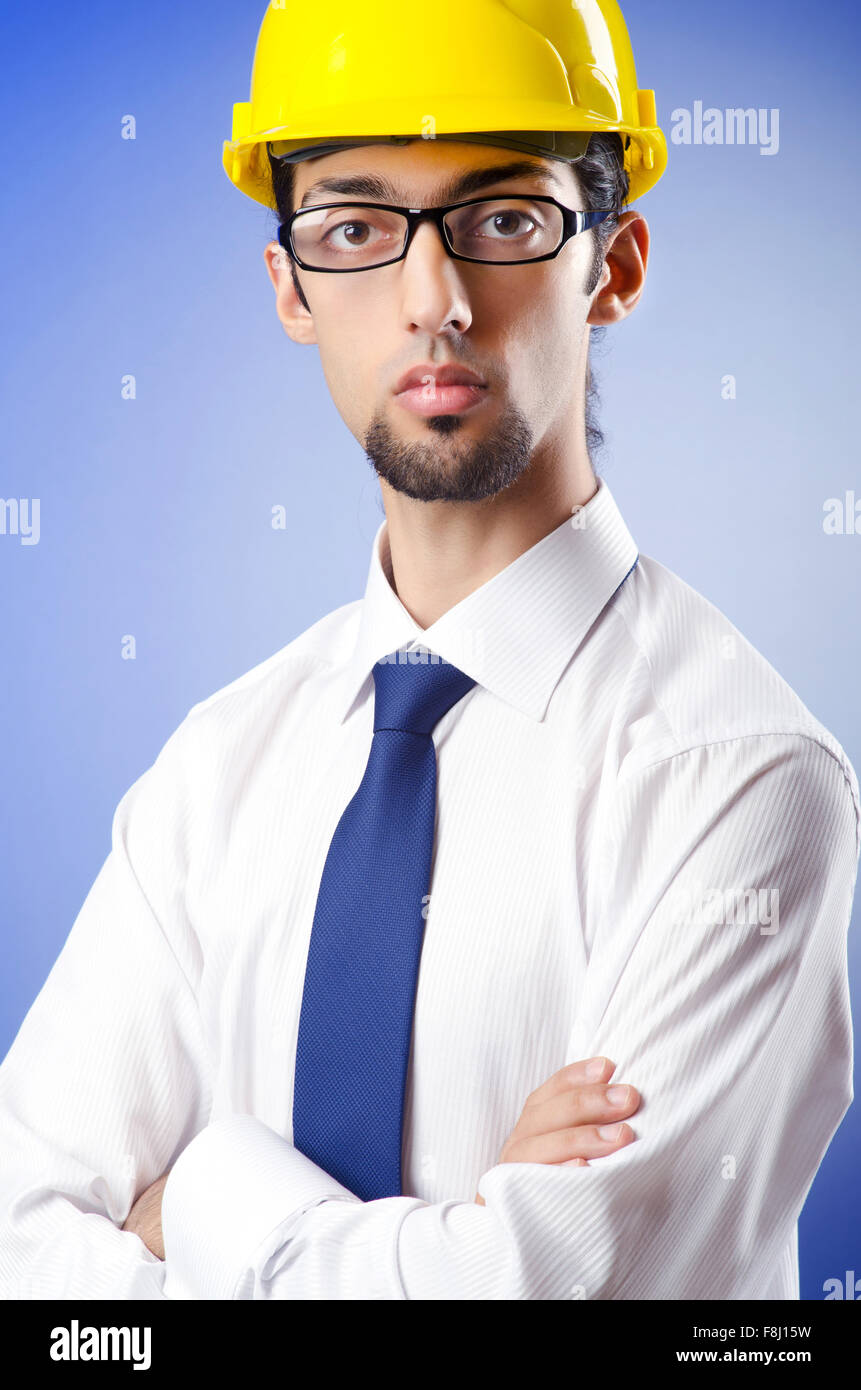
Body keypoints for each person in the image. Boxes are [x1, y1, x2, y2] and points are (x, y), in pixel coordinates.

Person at [0, 0, 857, 1301]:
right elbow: (17, 1254)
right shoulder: (215, 772)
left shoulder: (736, 775)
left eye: (501, 219)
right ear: (289, 286)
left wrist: (207, 1194)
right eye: (356, 227)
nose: (432, 301)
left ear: (612, 264)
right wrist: (444, 1240)